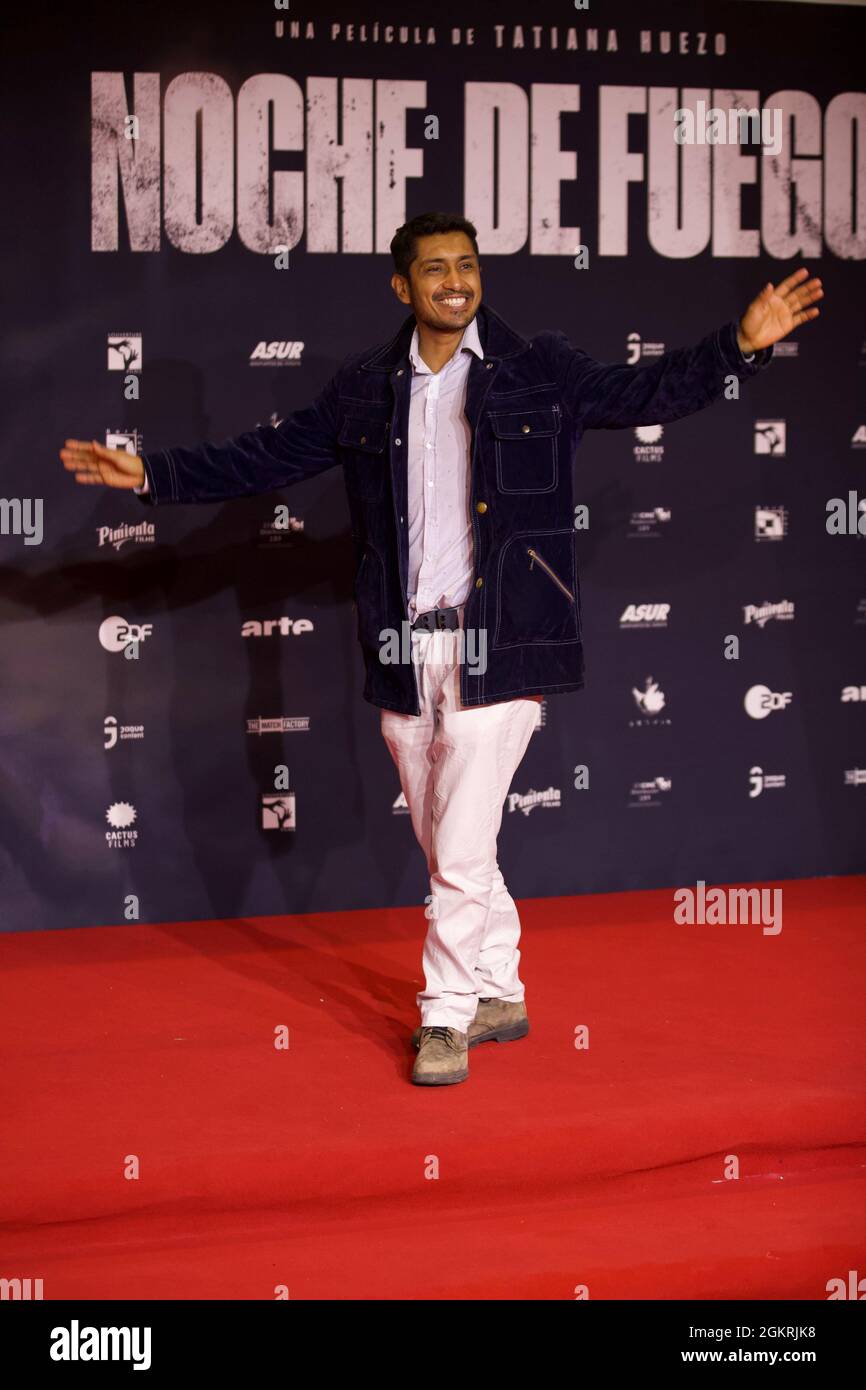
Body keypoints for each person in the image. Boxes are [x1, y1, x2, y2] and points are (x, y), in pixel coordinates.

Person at [60, 212, 823, 1087]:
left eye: (467, 265)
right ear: (402, 286)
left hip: (502, 649)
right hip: (402, 649)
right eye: (435, 269)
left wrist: (740, 345)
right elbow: (263, 458)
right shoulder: (364, 391)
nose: (455, 281)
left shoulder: (540, 371)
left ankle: (446, 1018)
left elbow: (645, 392)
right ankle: (500, 986)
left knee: (457, 850)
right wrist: (154, 475)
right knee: (444, 839)